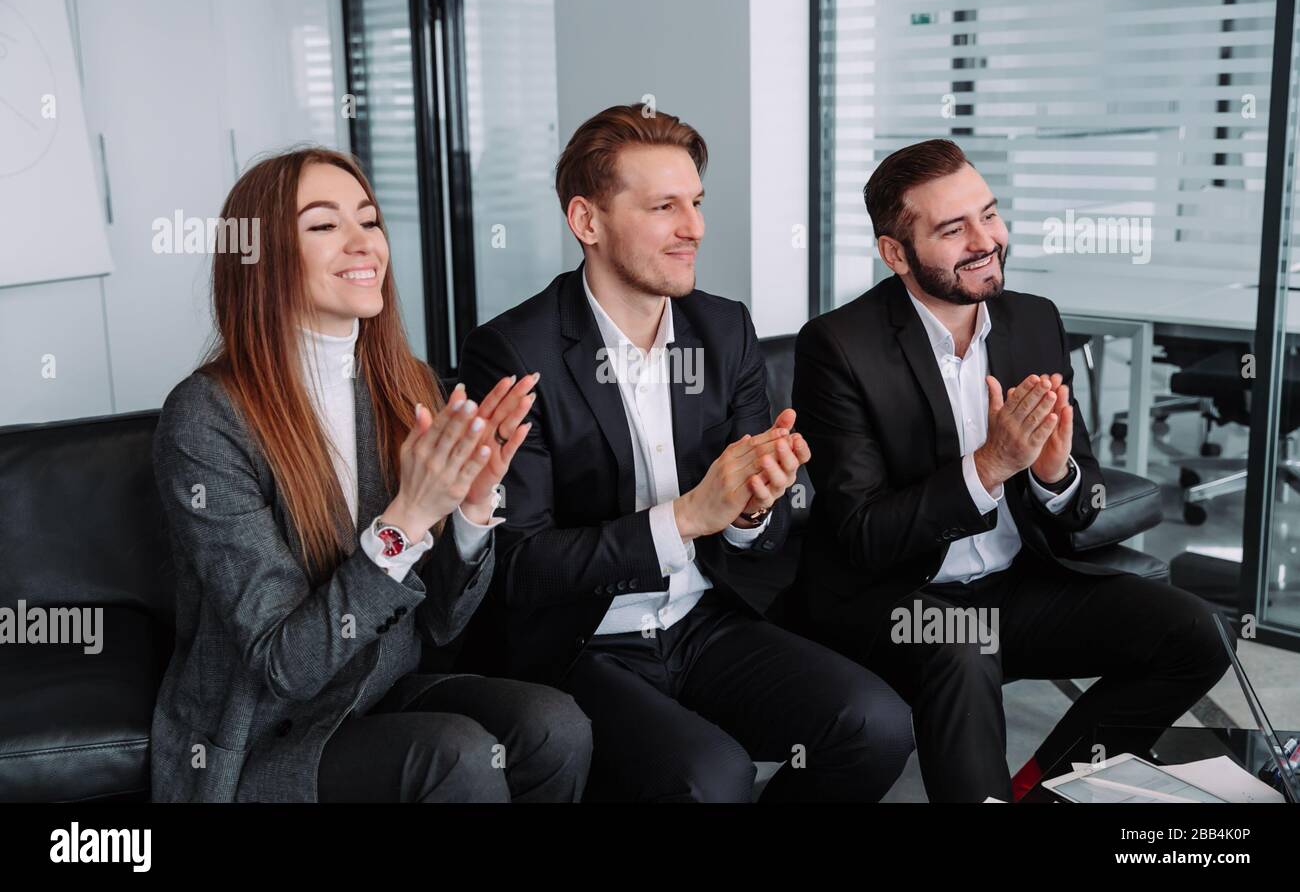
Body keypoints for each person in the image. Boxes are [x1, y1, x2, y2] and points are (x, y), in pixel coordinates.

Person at [457, 105, 914, 802]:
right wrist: (686, 518)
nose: (694, 228)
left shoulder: (724, 327)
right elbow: (519, 564)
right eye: (665, 207)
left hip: (705, 619)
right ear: (587, 222)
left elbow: (758, 537)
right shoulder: (515, 352)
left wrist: (754, 508)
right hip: (583, 645)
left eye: (696, 203)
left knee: (878, 725)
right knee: (711, 777)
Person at [787, 138, 1230, 802]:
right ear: (895, 253)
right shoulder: (838, 346)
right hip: (896, 596)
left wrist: (1054, 476)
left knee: (1197, 633)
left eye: (989, 214)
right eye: (952, 228)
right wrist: (989, 466)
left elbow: (1073, 502)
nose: (985, 240)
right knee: (963, 647)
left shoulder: (1032, 321)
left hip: (1015, 587)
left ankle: (1038, 791)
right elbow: (862, 533)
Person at [150, 147, 591, 802]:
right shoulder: (205, 419)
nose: (363, 244)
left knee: (556, 726)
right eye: (325, 226)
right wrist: (407, 517)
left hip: (382, 692)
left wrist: (469, 512)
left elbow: (442, 624)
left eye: (369, 220)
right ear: (262, 259)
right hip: (268, 732)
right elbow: (285, 665)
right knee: (457, 757)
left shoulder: (404, 383)